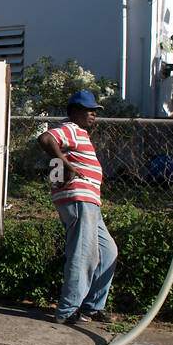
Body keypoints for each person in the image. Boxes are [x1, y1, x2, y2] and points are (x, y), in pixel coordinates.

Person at [38, 90, 117, 324]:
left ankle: (91, 307)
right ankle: (67, 310)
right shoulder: (71, 128)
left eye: (95, 110)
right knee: (84, 254)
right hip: (79, 198)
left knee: (108, 252)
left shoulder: (80, 133)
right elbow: (45, 139)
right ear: (74, 112)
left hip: (90, 202)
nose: (93, 114)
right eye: (88, 110)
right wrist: (66, 166)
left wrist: (64, 165)